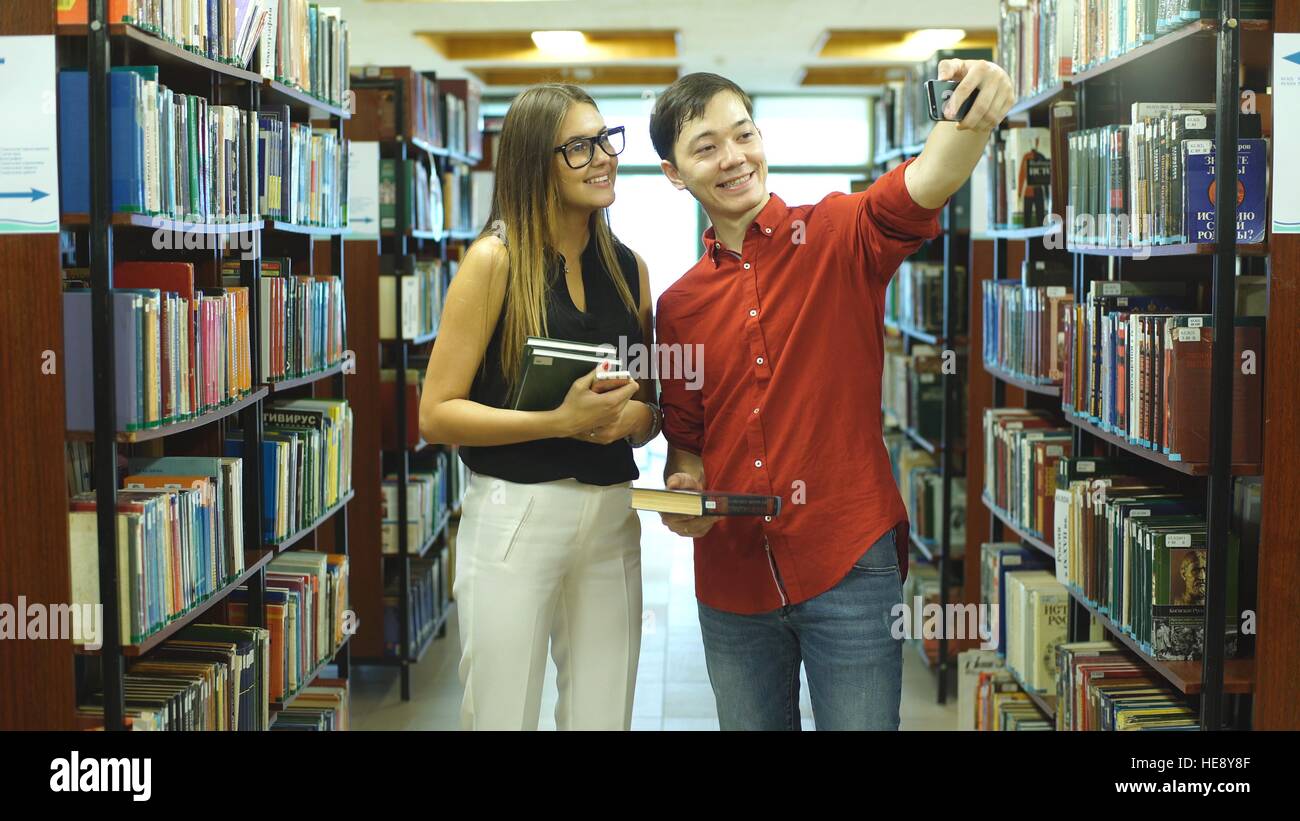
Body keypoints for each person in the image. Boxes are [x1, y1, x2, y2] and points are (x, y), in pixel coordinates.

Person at [649, 61, 1014, 730]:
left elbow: (922, 185)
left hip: (849, 559)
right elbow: (688, 437)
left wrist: (976, 112)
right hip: (733, 575)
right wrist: (684, 487)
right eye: (706, 146)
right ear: (674, 173)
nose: (734, 158)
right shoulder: (677, 306)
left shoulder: (838, 232)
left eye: (744, 134)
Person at [418, 84, 661, 730]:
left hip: (611, 514)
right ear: (534, 161)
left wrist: (636, 418)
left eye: (606, 140)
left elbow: (651, 405)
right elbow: (436, 413)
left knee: (604, 714)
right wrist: (559, 423)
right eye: (580, 147)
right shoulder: (493, 262)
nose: (604, 157)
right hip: (515, 513)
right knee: (502, 711)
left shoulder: (631, 269)